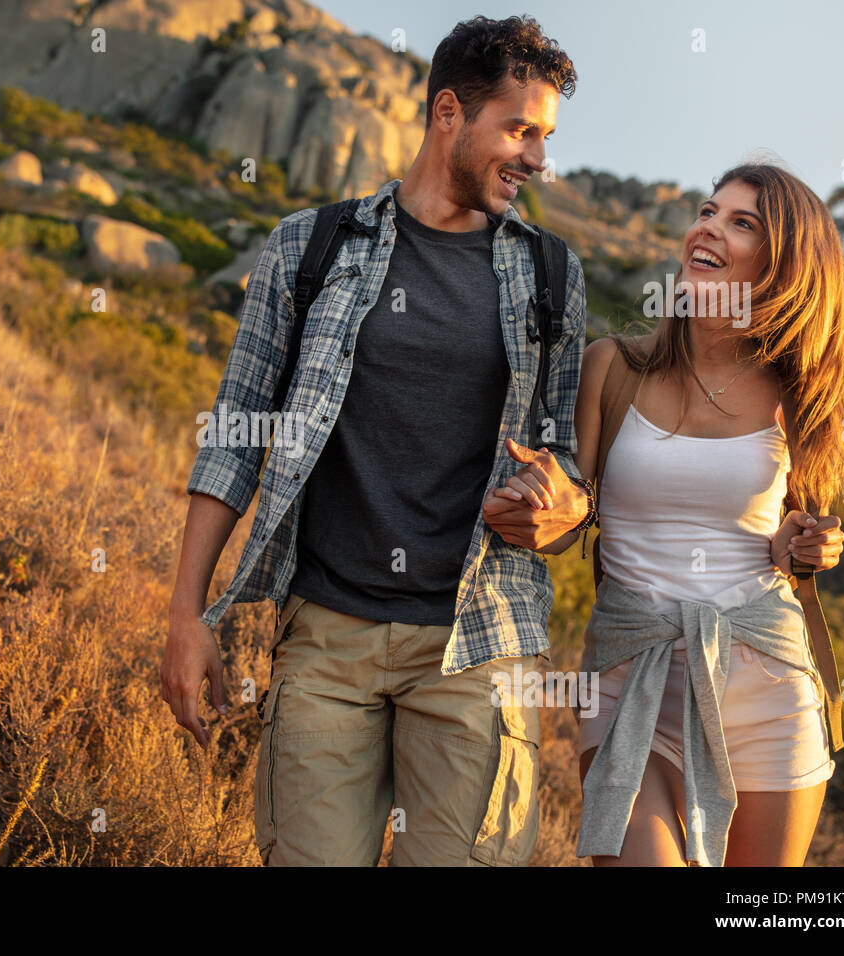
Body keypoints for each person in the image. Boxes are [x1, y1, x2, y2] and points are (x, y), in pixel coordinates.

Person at [162, 15, 592, 866]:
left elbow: (566, 465)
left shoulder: (551, 275)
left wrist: (564, 509)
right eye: (518, 129)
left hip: (479, 646)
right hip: (325, 639)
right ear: (447, 114)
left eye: (545, 137)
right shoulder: (310, 247)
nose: (537, 159)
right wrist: (186, 613)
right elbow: (234, 436)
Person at [499, 162, 844, 866]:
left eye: (740, 222)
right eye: (707, 211)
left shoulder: (798, 393)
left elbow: (795, 525)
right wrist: (547, 505)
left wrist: (807, 544)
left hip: (769, 684)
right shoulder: (613, 368)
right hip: (633, 672)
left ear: (783, 263)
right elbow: (575, 511)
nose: (708, 227)